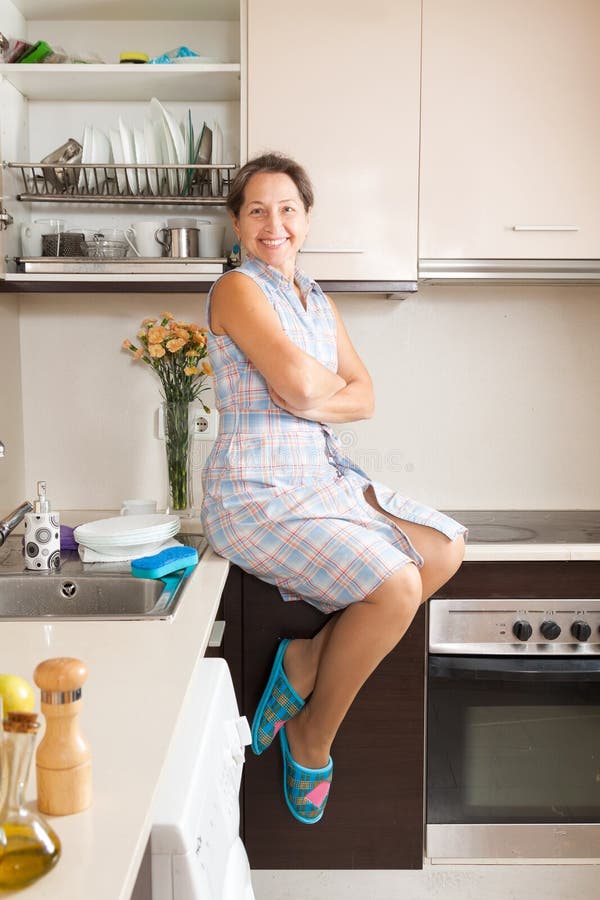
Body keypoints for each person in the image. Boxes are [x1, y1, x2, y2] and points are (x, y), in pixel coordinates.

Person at [200, 152, 466, 825]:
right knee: (398, 584)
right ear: (237, 222)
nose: (274, 223)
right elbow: (301, 386)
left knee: (444, 550)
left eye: (287, 208)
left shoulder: (316, 299)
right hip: (255, 491)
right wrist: (314, 391)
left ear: (307, 219)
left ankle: (308, 656)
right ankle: (311, 734)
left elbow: (366, 396)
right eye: (257, 209)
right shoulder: (237, 289)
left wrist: (307, 394)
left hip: (322, 479)